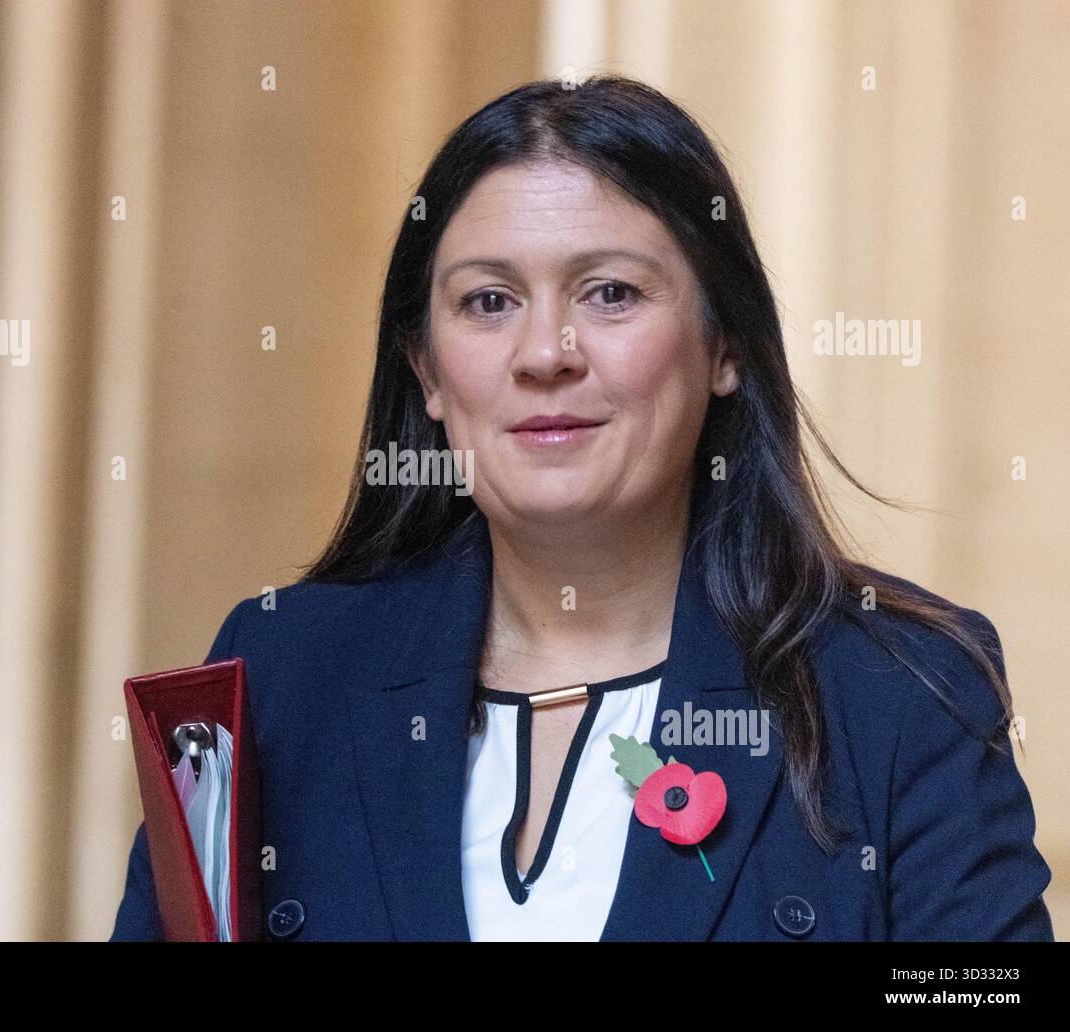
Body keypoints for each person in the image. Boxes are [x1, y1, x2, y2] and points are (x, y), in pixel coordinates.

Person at [111, 75, 1054, 941]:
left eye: (609, 293)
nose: (545, 352)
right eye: (488, 301)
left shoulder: (900, 694)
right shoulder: (282, 677)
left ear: (725, 344)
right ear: (428, 373)